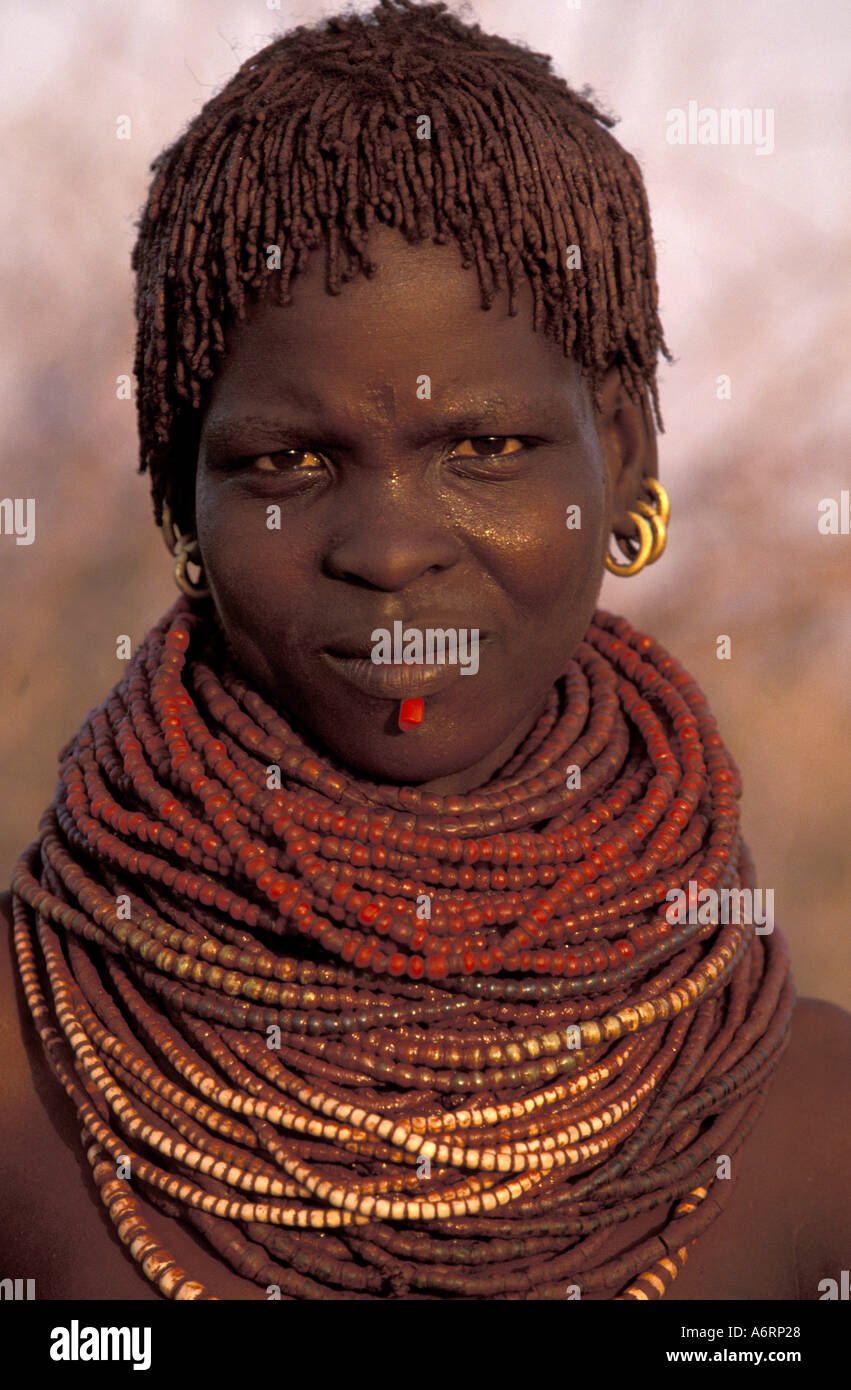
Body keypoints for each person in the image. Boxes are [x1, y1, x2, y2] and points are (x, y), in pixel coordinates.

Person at [1, 0, 849, 1302]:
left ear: (624, 460)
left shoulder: (815, 1132)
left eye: (486, 447)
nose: (391, 552)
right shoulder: (24, 1068)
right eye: (287, 461)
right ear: (179, 506)